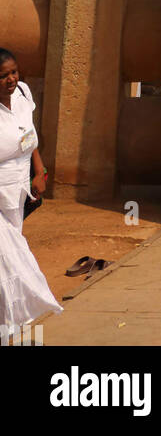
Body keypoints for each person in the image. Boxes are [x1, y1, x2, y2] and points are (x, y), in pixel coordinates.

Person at [0, 49, 62, 332]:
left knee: (11, 251)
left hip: (20, 187)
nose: (10, 79)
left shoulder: (24, 93)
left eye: (13, 72)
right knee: (9, 252)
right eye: (3, 75)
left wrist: (39, 172)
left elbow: (29, 136)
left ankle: (9, 317)